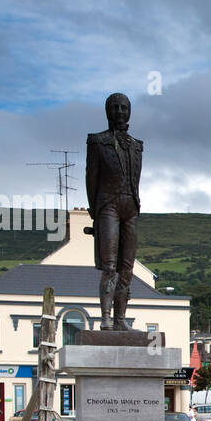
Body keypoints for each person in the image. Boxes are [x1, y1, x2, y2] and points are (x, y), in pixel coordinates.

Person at [85, 92, 143, 331]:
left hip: (131, 206)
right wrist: (95, 210)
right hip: (107, 204)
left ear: (129, 111)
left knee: (127, 268)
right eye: (114, 107)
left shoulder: (136, 146)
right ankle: (106, 318)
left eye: (123, 107)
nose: (119, 111)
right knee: (109, 266)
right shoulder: (97, 141)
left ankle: (120, 319)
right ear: (107, 111)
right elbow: (91, 177)